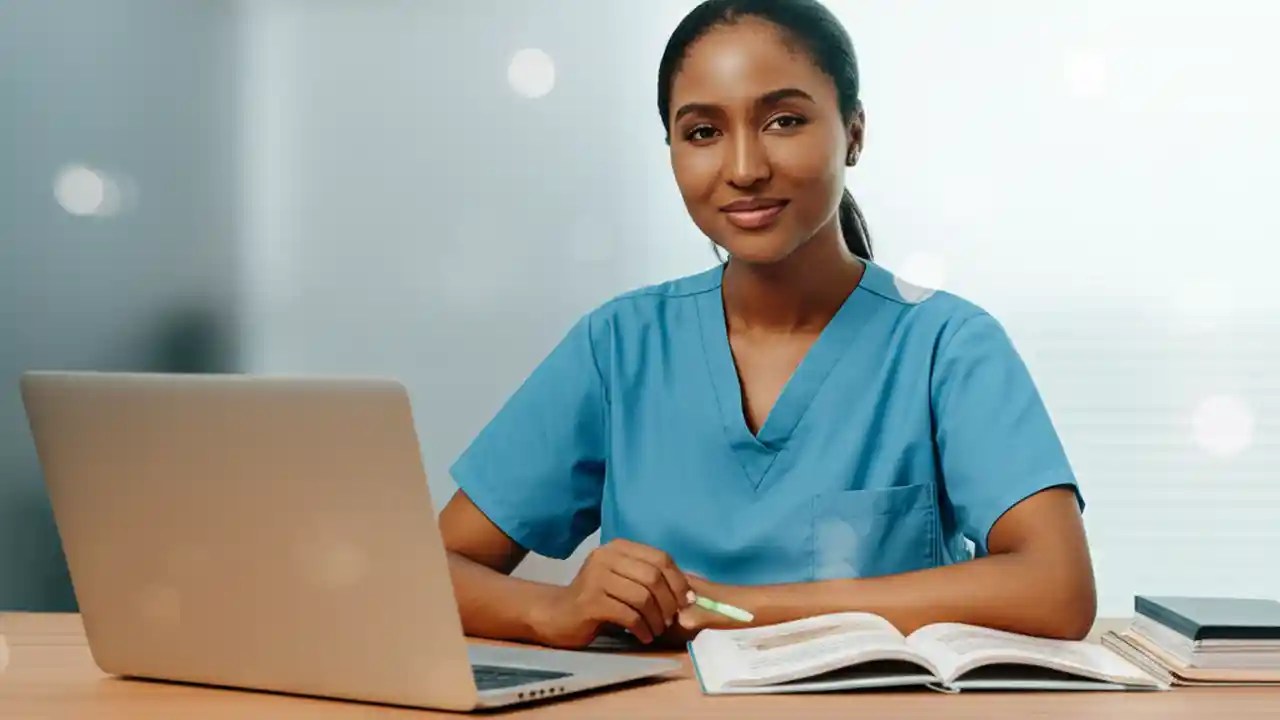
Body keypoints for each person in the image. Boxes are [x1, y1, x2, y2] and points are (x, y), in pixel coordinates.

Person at [440, 0, 1096, 650]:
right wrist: (552, 610)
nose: (745, 168)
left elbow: (1056, 588)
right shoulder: (619, 347)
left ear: (855, 131)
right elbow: (433, 570)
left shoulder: (947, 346)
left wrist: (737, 610)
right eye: (702, 132)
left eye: (784, 121)